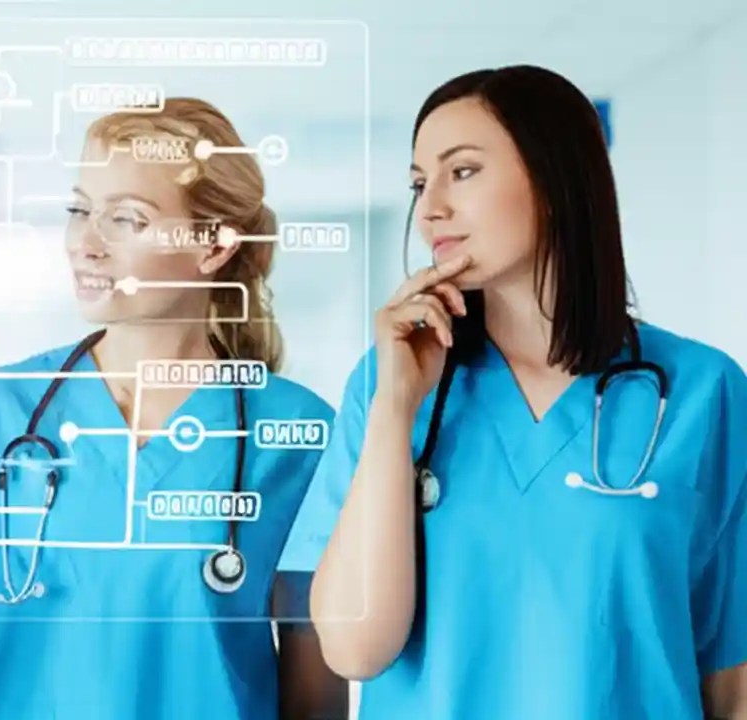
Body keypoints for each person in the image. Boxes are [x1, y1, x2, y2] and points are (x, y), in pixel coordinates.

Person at [297, 64, 747, 718]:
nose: (431, 207)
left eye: (464, 171)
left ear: (556, 179)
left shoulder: (704, 394)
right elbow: (354, 650)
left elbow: (731, 680)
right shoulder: (390, 385)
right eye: (421, 182)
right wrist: (396, 408)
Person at [0, 98, 348, 719]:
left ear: (213, 246)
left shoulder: (298, 435)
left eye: (126, 220)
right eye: (80, 211)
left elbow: (315, 689)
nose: (86, 243)